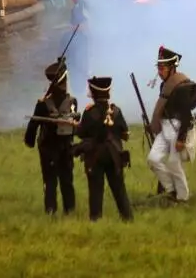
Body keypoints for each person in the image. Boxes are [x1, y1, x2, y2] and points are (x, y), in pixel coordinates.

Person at [23, 58, 79, 216]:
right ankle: (68, 210)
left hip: (50, 147)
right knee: (65, 180)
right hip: (61, 146)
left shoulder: (43, 103)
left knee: (52, 180)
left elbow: (33, 126)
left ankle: (52, 210)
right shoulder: (72, 101)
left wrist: (29, 141)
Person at [147, 46, 196, 202]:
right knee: (153, 159)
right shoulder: (164, 85)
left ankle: (183, 197)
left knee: (173, 163)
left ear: (172, 68)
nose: (160, 71)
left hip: (177, 128)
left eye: (162, 68)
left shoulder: (182, 85)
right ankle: (171, 189)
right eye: (158, 67)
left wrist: (181, 138)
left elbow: (186, 113)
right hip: (165, 127)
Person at [74, 76, 133, 222]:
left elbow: (82, 134)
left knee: (95, 191)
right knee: (119, 190)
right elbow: (125, 133)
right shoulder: (116, 111)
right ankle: (127, 218)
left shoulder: (89, 112)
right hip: (114, 156)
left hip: (95, 156)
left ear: (93, 93)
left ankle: (95, 220)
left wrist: (76, 126)